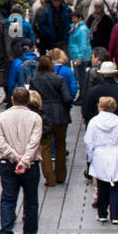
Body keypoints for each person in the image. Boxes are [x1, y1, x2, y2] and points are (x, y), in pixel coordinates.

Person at [0, 86, 44, 234]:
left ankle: (6, 232)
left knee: (8, 198)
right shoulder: (35, 118)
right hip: (31, 164)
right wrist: (25, 161)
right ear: (29, 100)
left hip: (8, 163)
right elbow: (34, 142)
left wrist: (14, 157)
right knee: (31, 200)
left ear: (12, 99)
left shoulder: (1, 117)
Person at [85, 96, 118, 225]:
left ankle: (102, 213)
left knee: (102, 184)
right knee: (116, 183)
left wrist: (90, 157)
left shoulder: (94, 122)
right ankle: (117, 215)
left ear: (100, 107)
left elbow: (88, 141)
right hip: (116, 153)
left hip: (100, 154)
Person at [30, 55, 72, 185]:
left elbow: (32, 99)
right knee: (60, 145)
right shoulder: (59, 79)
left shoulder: (35, 80)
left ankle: (50, 178)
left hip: (43, 115)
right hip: (60, 115)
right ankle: (61, 175)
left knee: (45, 146)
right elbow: (67, 98)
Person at [87, 60, 118, 138]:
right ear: (115, 74)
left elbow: (86, 112)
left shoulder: (92, 92)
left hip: (99, 132)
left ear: (101, 74)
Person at [6, 38, 39, 103]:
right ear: (34, 48)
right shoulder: (40, 62)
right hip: (36, 97)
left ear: (21, 48)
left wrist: (10, 98)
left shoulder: (17, 62)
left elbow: (11, 82)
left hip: (20, 97)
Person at [68, 11, 92, 89]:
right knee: (80, 78)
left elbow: (83, 45)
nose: (72, 20)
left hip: (82, 58)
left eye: (74, 18)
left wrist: (80, 58)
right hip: (77, 56)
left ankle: (83, 96)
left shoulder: (82, 29)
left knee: (82, 79)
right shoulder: (75, 28)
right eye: (72, 18)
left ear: (80, 18)